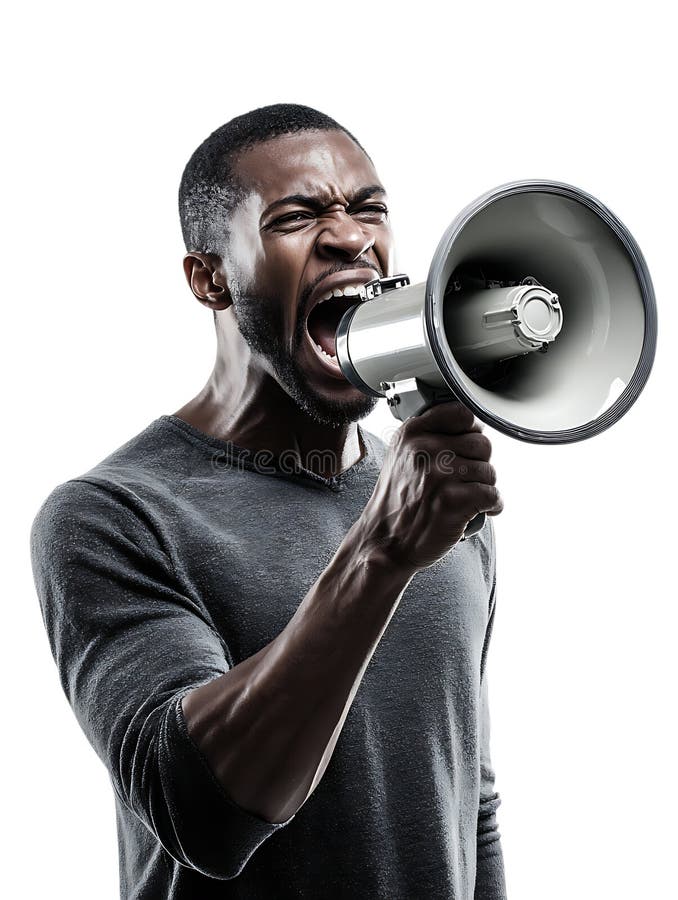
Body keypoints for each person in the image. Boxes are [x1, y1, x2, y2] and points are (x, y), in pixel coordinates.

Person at [30, 104, 507, 899]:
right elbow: (203, 818)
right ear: (209, 275)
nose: (351, 237)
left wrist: (401, 527)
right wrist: (379, 555)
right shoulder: (111, 516)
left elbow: (467, 796)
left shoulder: (433, 499)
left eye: (369, 209)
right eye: (297, 216)